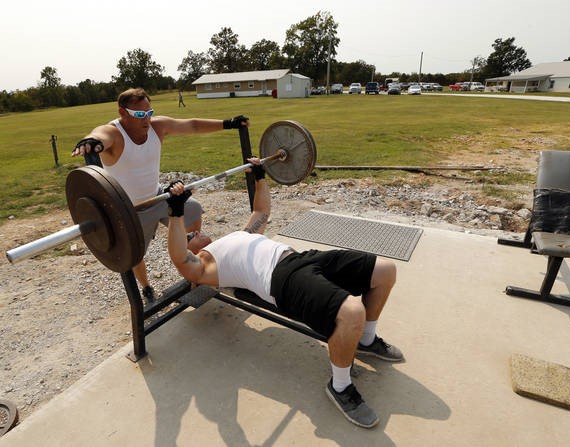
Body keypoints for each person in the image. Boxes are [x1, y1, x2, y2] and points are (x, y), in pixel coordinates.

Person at [165, 159, 404, 428]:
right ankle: (340, 386)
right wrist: (175, 214)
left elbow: (262, 211)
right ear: (191, 251)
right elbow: (178, 257)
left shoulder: (239, 236)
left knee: (385, 270)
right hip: (282, 279)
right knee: (352, 312)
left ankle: (366, 340)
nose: (194, 233)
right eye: (189, 237)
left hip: (303, 259)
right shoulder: (206, 266)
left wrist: (259, 177)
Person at [71, 87, 249, 302]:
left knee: (192, 210)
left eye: (149, 112)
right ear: (122, 112)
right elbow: (101, 134)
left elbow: (191, 125)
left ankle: (194, 268)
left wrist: (228, 123)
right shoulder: (115, 133)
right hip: (130, 210)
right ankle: (146, 288)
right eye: (139, 114)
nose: (145, 119)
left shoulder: (157, 127)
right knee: (134, 254)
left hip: (158, 197)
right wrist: (91, 140)